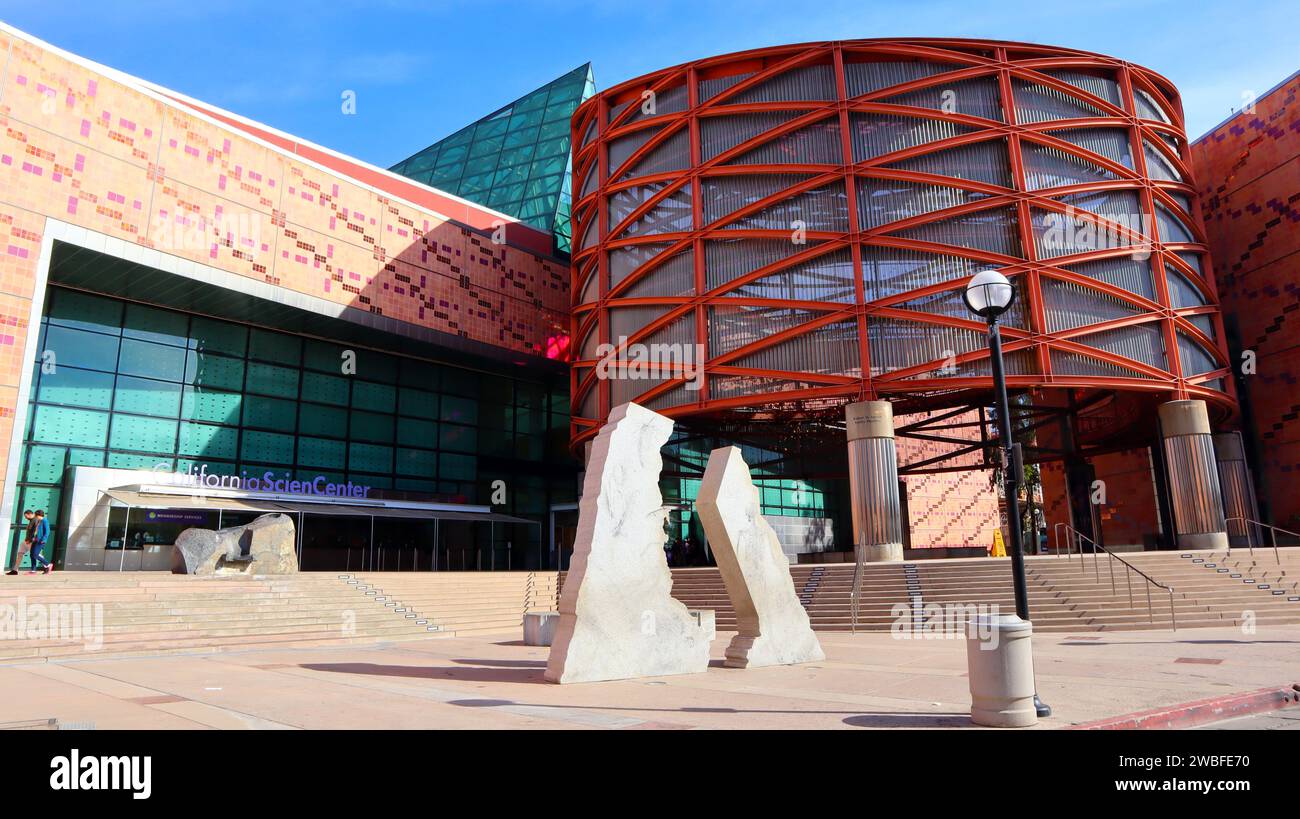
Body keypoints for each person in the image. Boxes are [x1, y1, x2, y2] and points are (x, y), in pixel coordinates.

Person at [4, 510, 36, 575]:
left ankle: (46, 565)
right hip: (26, 541)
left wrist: (31, 539)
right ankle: (15, 570)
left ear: (29, 514)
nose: (25, 518)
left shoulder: (35, 520)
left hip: (31, 541)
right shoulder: (31, 521)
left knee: (36, 554)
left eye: (26, 516)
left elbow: (36, 532)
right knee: (20, 554)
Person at [27, 510, 51, 575]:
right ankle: (33, 570)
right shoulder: (39, 521)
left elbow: (47, 531)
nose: (35, 516)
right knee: (32, 555)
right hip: (35, 540)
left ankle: (47, 564)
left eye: (35, 515)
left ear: (38, 515)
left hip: (41, 540)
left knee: (35, 554)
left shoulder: (45, 521)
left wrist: (43, 539)